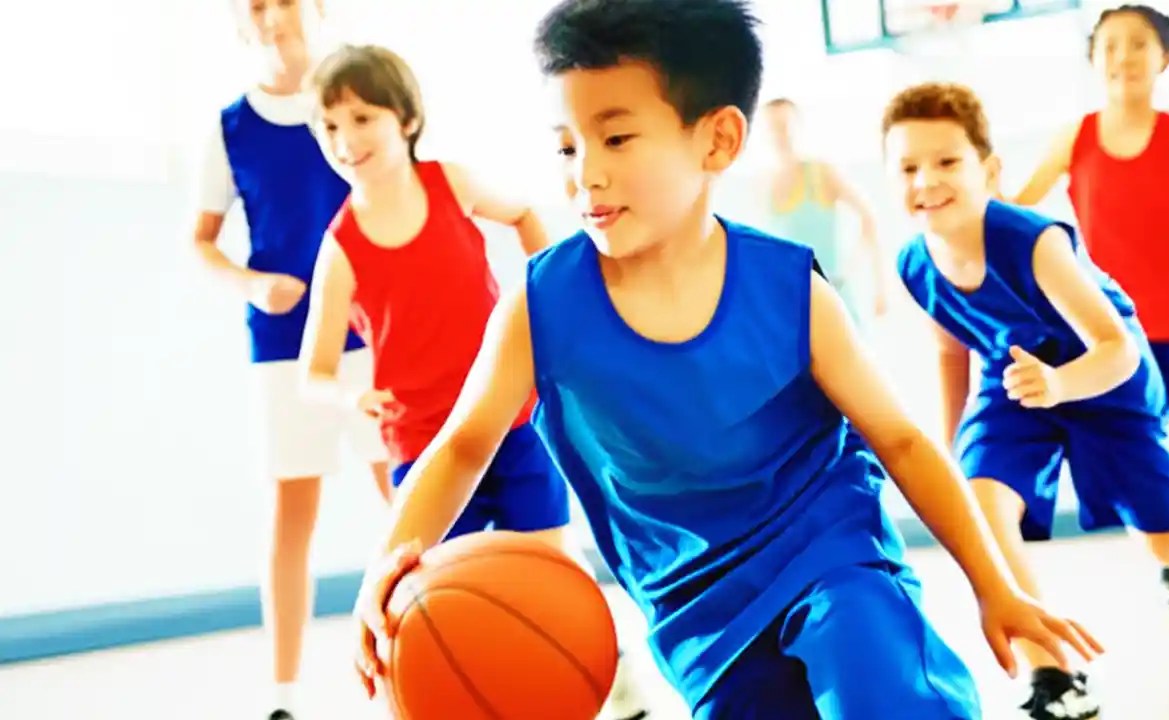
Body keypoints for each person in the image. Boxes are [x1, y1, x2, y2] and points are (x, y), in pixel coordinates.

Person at [353, 2, 1101, 718]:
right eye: (566, 146)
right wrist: (386, 568)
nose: (586, 173)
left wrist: (993, 585)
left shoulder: (790, 291)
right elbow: (460, 447)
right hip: (697, 612)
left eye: (615, 139)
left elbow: (901, 440)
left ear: (716, 141)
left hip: (828, 550)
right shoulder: (541, 303)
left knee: (875, 673)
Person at [886, 80, 1169, 720]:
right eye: (909, 166)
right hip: (1014, 382)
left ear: (989, 170)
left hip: (1104, 383)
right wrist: (955, 451)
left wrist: (1061, 385)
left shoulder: (1034, 242)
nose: (928, 180)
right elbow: (953, 351)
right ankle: (1054, 675)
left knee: (1162, 535)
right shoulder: (914, 263)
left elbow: (1118, 348)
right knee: (983, 508)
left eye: (947, 161)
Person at [298, 43, 650, 720]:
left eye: (361, 119)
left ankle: (614, 689)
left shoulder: (451, 184)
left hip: (512, 423)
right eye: (329, 128)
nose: (345, 141)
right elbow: (313, 373)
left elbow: (521, 215)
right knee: (431, 604)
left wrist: (550, 297)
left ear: (404, 118)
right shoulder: (341, 247)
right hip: (423, 451)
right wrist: (352, 395)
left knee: (556, 570)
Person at [1012, 3, 1169, 662]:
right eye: (1110, 46)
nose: (1123, 56)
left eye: (1138, 44)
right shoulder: (1076, 137)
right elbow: (1016, 208)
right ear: (1093, 60)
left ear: (1166, 59)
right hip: (1113, 326)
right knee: (1134, 456)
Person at [188, 3, 387, 718]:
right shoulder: (230, 128)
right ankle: (283, 697)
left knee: (412, 494)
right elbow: (201, 242)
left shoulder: (355, 102)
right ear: (243, 24)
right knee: (291, 511)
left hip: (375, 335)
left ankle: (440, 650)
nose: (274, 15)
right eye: (257, 5)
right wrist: (252, 284)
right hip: (283, 346)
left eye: (286, 0)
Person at [759, 97, 888, 327]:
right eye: (774, 128)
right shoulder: (765, 184)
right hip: (791, 304)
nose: (781, 134)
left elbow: (868, 216)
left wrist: (875, 284)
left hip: (833, 296)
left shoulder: (820, 172)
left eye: (786, 126)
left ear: (798, 127)